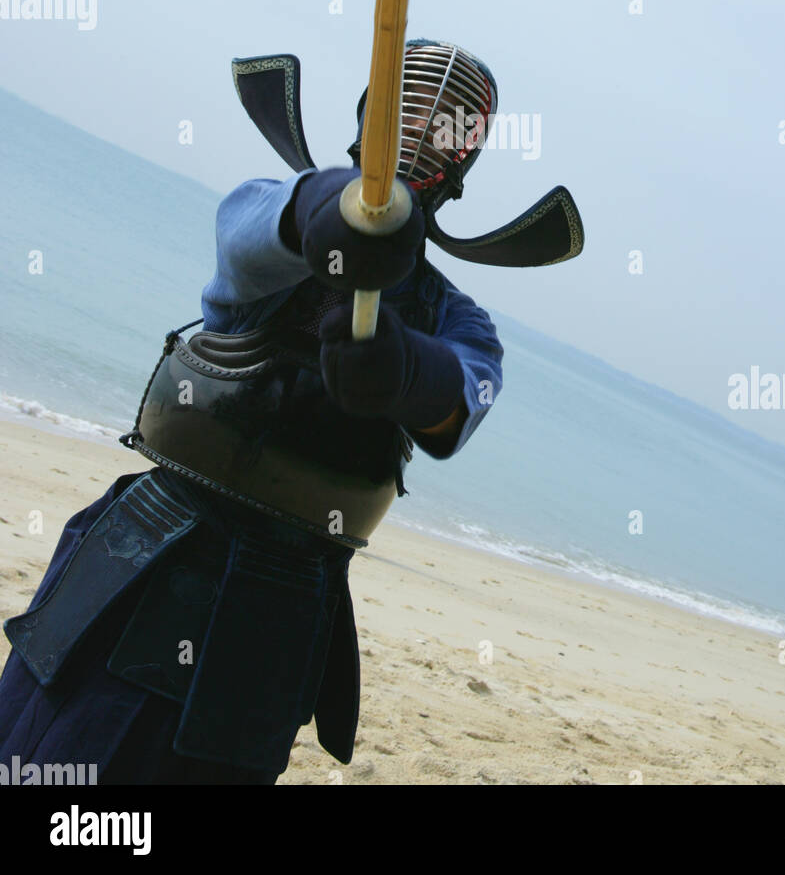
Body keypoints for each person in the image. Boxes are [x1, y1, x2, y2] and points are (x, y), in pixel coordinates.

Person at [0, 39, 583, 784]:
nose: (415, 138)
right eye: (403, 115)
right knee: (40, 755)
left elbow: (463, 402)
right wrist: (321, 208)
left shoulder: (455, 320)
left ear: (458, 178)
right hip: (146, 553)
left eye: (440, 130)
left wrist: (406, 371)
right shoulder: (278, 218)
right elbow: (245, 238)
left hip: (279, 607)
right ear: (364, 125)